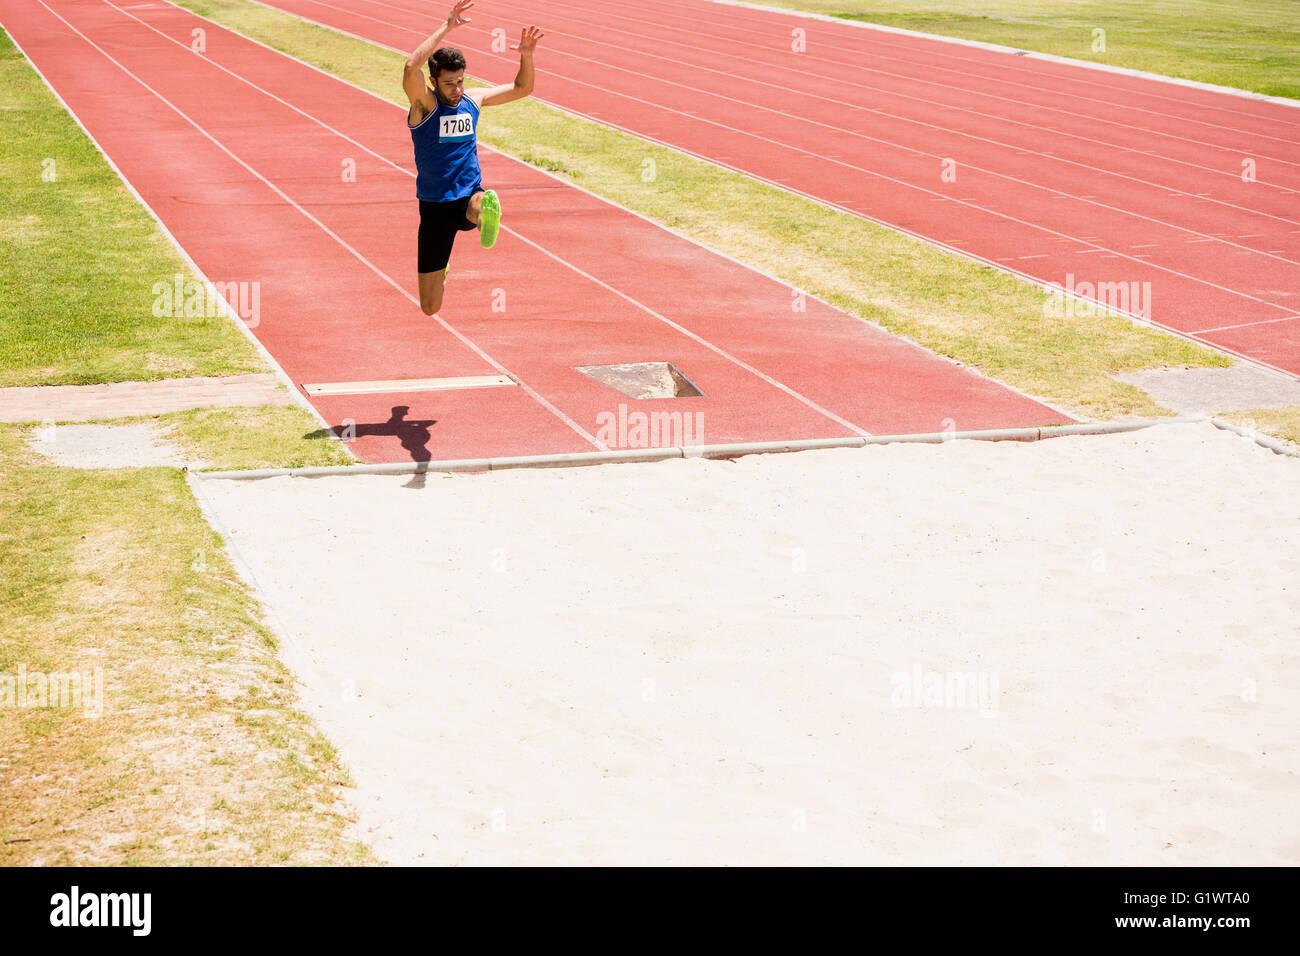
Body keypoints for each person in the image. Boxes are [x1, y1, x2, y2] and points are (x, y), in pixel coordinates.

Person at [403, 1, 544, 315]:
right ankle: (444, 271)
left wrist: (526, 55)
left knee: (480, 205)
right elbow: (410, 68)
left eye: (461, 81)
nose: (457, 89)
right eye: (449, 83)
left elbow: (523, 88)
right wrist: (447, 27)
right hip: (434, 207)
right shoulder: (424, 106)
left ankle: (486, 215)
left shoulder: (473, 100)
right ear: (434, 81)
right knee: (430, 307)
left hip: (468, 194)